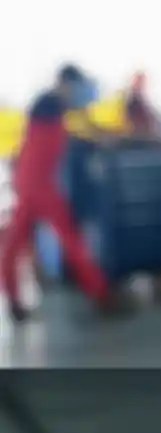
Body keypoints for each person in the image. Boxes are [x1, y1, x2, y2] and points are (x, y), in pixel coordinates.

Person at [1, 65, 118, 322]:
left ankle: (14, 303)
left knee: (13, 246)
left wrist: (97, 135)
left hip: (28, 182)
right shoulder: (49, 102)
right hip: (40, 186)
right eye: (74, 87)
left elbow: (77, 128)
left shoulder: (53, 106)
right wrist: (102, 138)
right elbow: (80, 127)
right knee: (72, 241)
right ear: (64, 84)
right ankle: (102, 297)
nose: (77, 93)